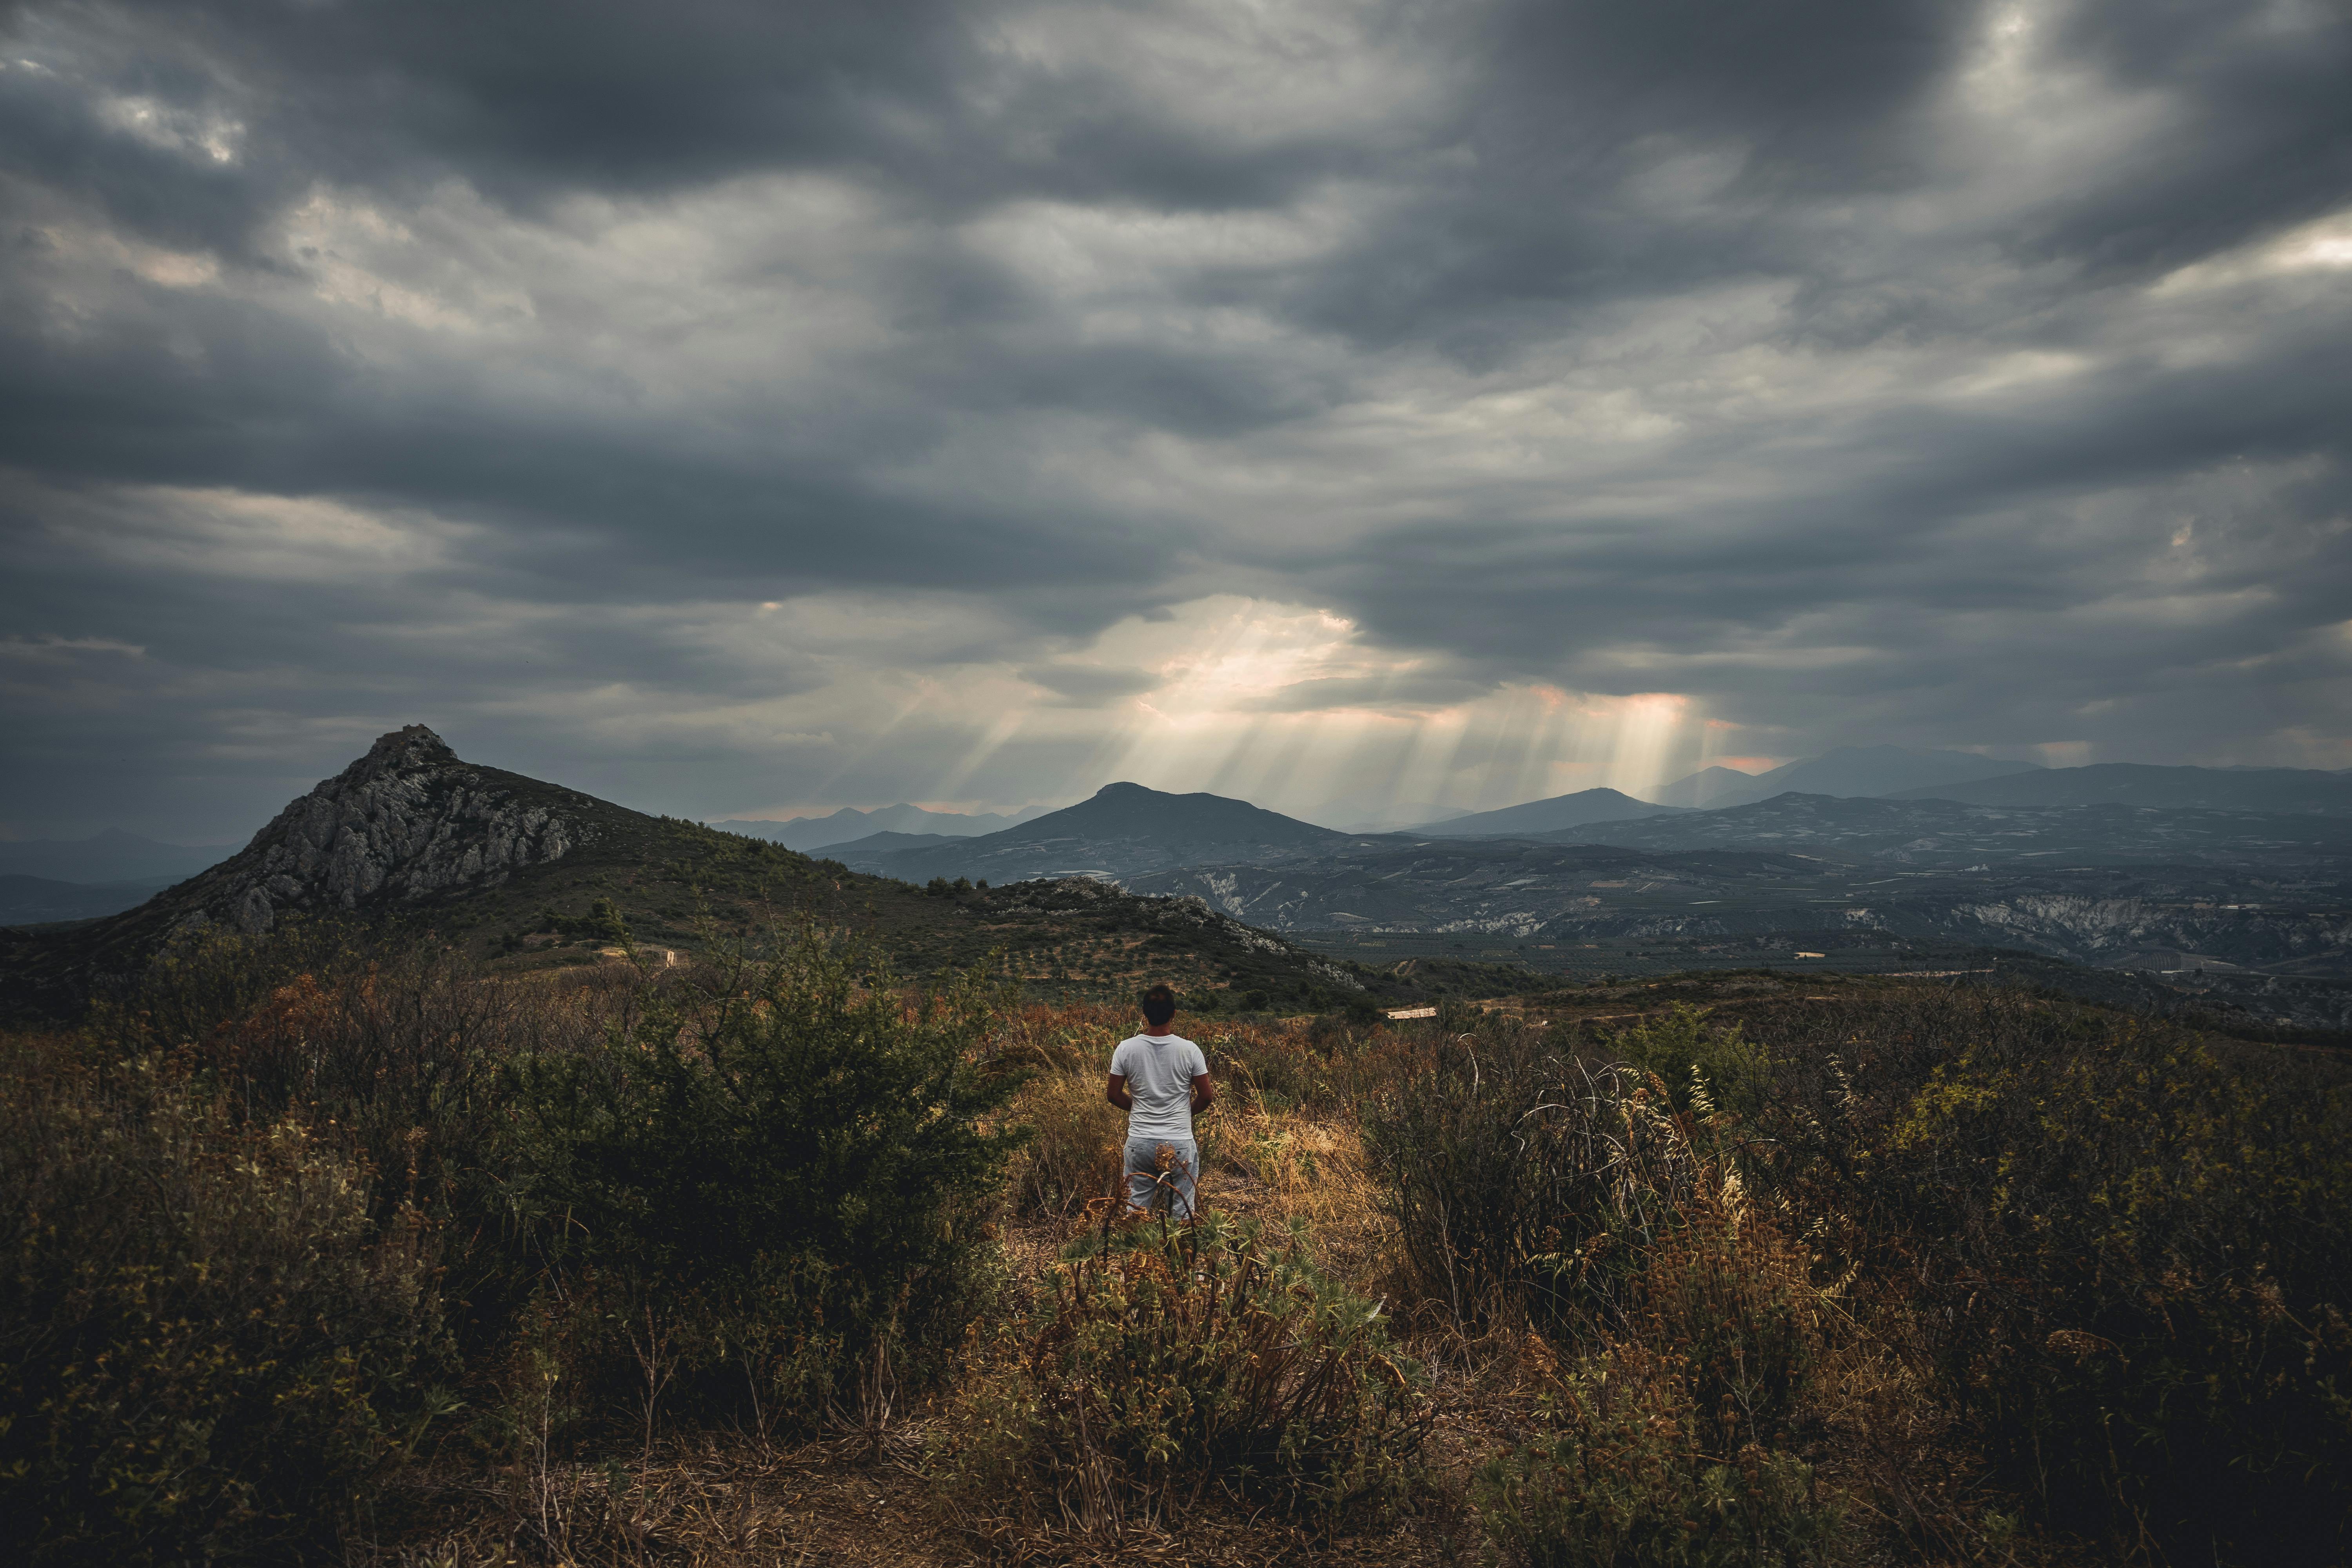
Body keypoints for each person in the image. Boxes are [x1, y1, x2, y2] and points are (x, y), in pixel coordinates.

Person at [1105, 983, 1215, 1219]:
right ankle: (1180, 1254)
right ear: (1174, 1013)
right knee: (1182, 1209)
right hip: (1179, 1142)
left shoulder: (1126, 1049)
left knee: (1135, 1208)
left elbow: (1113, 1095)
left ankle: (1135, 1250)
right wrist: (1185, 1114)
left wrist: (1137, 1110)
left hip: (1140, 1141)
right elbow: (1206, 1097)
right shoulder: (1190, 1050)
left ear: (1144, 1013)